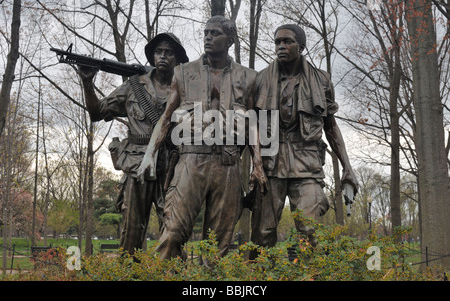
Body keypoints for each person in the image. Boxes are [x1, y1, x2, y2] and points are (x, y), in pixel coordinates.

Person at [137, 16, 267, 260]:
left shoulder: (248, 77)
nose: (208, 37)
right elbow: (166, 118)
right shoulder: (183, 73)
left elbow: (252, 123)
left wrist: (257, 165)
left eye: (214, 33)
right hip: (190, 159)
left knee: (217, 247)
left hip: (228, 164)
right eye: (205, 32)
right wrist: (148, 155)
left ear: (229, 40)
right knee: (172, 234)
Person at [250, 24, 358, 252]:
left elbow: (331, 126)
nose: (281, 46)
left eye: (287, 41)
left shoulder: (322, 81)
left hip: (307, 163)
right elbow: (253, 125)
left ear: (301, 46)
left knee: (311, 230)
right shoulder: (260, 80)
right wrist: (256, 164)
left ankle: (310, 275)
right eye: (277, 42)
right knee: (263, 233)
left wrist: (347, 166)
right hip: (270, 165)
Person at [78, 33, 189, 256]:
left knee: (173, 228)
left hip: (173, 164)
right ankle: (129, 272)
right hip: (137, 164)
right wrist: (87, 82)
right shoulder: (134, 86)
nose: (163, 56)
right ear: (152, 56)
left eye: (169, 52)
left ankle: (172, 275)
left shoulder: (187, 89)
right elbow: (97, 112)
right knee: (131, 231)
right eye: (159, 52)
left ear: (177, 58)